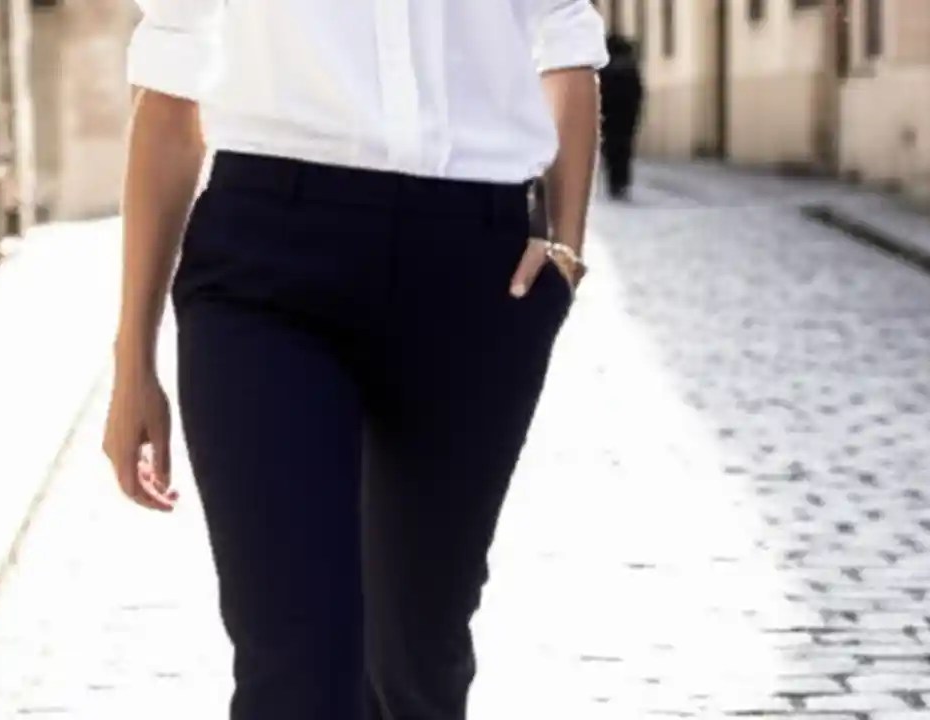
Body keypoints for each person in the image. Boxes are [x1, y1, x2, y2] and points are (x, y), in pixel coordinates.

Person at [102, 2, 607, 718]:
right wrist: (134, 361)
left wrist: (564, 244)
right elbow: (169, 88)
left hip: (471, 272)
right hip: (266, 272)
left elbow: (568, 40)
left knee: (417, 659)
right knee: (299, 666)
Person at [599, 33, 646, 199]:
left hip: (609, 118)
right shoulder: (630, 67)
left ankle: (614, 183)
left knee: (611, 151)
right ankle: (622, 182)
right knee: (625, 150)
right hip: (627, 118)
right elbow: (638, 92)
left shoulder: (604, 68)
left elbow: (600, 94)